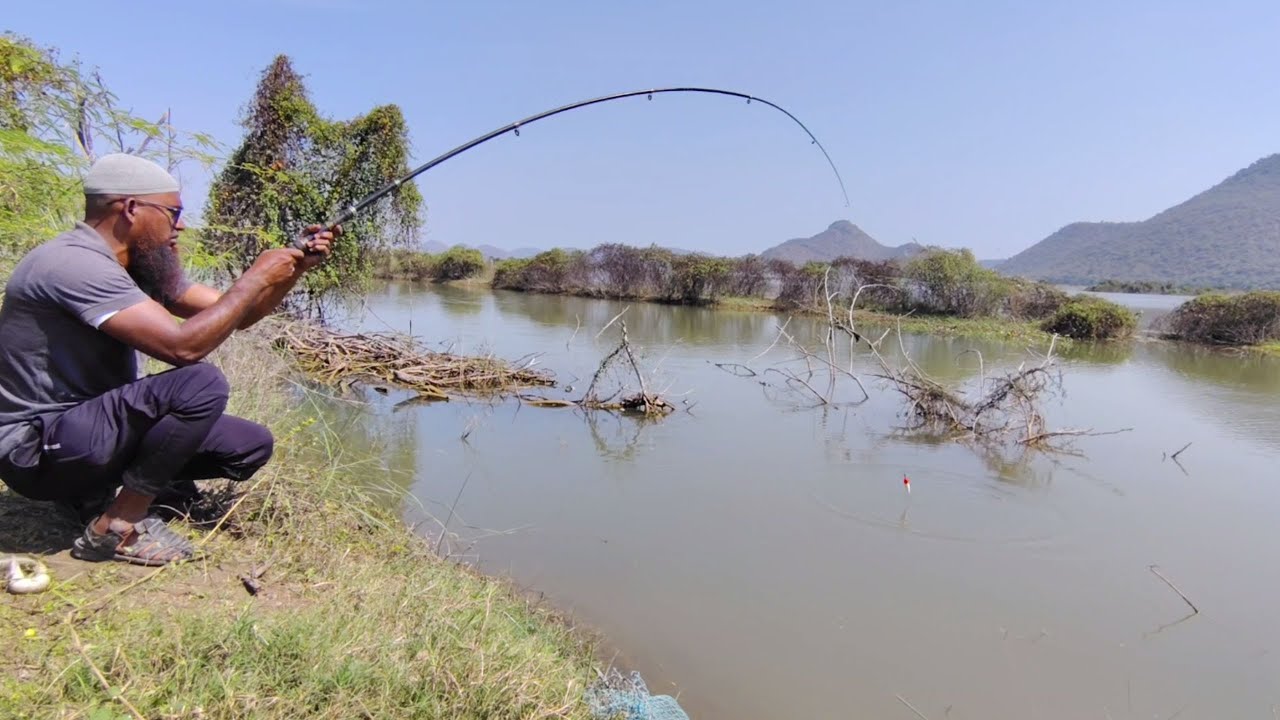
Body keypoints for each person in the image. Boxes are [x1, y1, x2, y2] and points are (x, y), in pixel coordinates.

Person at [0, 153, 338, 566]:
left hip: (84, 437)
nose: (180, 225)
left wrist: (293, 270)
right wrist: (255, 275)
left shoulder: (133, 266)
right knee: (200, 382)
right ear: (130, 209)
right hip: (35, 448)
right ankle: (119, 524)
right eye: (173, 212)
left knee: (248, 445)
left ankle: (96, 493)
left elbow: (239, 314)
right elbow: (183, 348)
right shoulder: (73, 264)